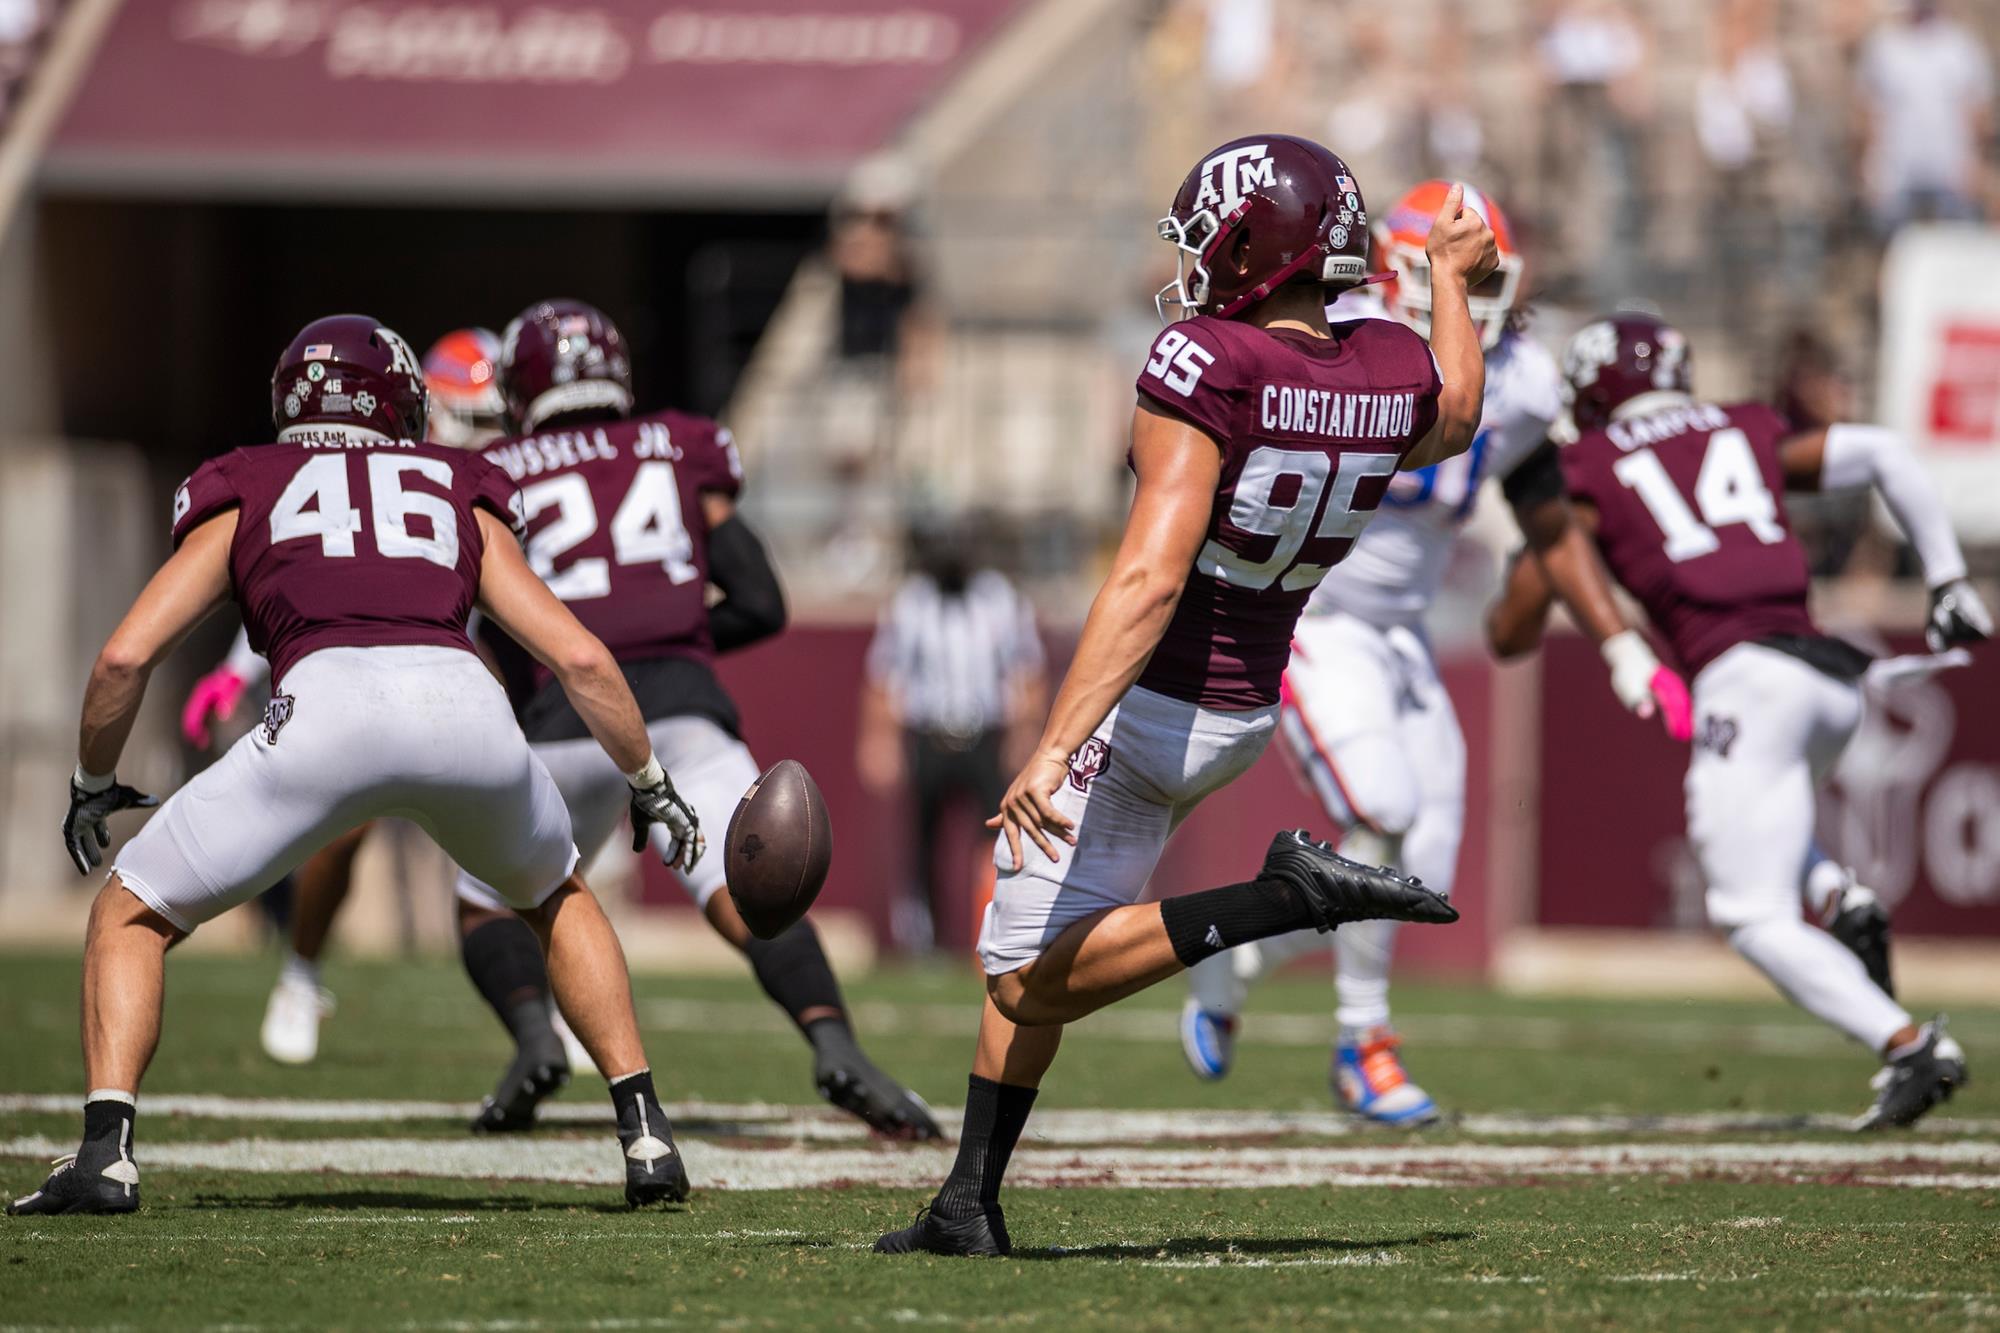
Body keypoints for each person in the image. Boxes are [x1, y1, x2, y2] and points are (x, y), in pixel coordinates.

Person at [872, 134, 1489, 1258]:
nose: (1196, 260)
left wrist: (1053, 745)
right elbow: (1451, 412)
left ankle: (1278, 902)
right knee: (1044, 931)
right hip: (1243, 708)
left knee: (1019, 976)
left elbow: (1149, 575)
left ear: (1253, 244)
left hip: (1152, 703)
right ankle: (967, 1201)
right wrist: (1448, 283)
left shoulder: (1210, 361)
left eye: (1210, 238)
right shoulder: (1384, 363)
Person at [10, 315, 704, 1216]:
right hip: (467, 710)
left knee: (129, 911)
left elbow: (123, 659)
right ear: (403, 401)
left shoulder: (249, 482)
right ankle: (645, 1130)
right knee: (556, 894)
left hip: (322, 710)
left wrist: (92, 782)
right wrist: (649, 778)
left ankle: (106, 1155)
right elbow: (578, 656)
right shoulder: (457, 482)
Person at [1179, 182, 1689, 1125]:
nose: (1472, 294)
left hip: (1404, 636)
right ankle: (1362, 1043)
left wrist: (1619, 643)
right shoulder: (1346, 339)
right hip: (1314, 615)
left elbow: (1545, 514)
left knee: (1418, 883)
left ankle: (1232, 954)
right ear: (1388, 270)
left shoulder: (1525, 380)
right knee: (1382, 807)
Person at [1486, 312, 1988, 1129]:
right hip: (1830, 679)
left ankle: (1908, 1045)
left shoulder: (1586, 464)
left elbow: (1510, 630)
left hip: (1746, 680)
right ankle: (1836, 892)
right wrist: (1945, 581)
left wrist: (1601, 623)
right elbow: (1888, 453)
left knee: (1748, 913)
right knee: (1771, 819)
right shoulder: (1747, 423)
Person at [457, 299, 940, 1139]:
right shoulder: (678, 445)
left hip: (563, 716)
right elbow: (760, 598)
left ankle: (536, 1036)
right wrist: (672, 643)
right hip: (681, 714)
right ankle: (836, 1045)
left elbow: (472, 610)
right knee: (753, 890)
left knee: (490, 903)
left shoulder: (496, 468)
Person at [179, 329, 567, 1070]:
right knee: (346, 828)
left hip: (466, 666)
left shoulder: (490, 488)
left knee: (539, 828)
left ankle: (556, 997)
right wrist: (240, 666)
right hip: (360, 665)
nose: (490, 441)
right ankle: (301, 971)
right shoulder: (376, 469)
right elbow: (302, 572)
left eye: (498, 423)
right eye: (474, 421)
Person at [858, 523, 1046, 951]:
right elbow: (884, 675)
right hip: (930, 735)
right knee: (923, 842)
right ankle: (924, 940)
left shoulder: (999, 598)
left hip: (986, 735)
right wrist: (879, 739)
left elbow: (1026, 670)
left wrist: (1025, 735)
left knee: (997, 839)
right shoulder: (911, 603)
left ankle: (997, 931)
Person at [1857, 0, 1992, 234]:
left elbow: (1977, 109)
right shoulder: (1883, 45)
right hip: (1896, 175)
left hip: (1950, 173)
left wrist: (1973, 162)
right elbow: (1869, 108)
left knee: (1953, 250)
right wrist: (1871, 166)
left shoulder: (1962, 45)